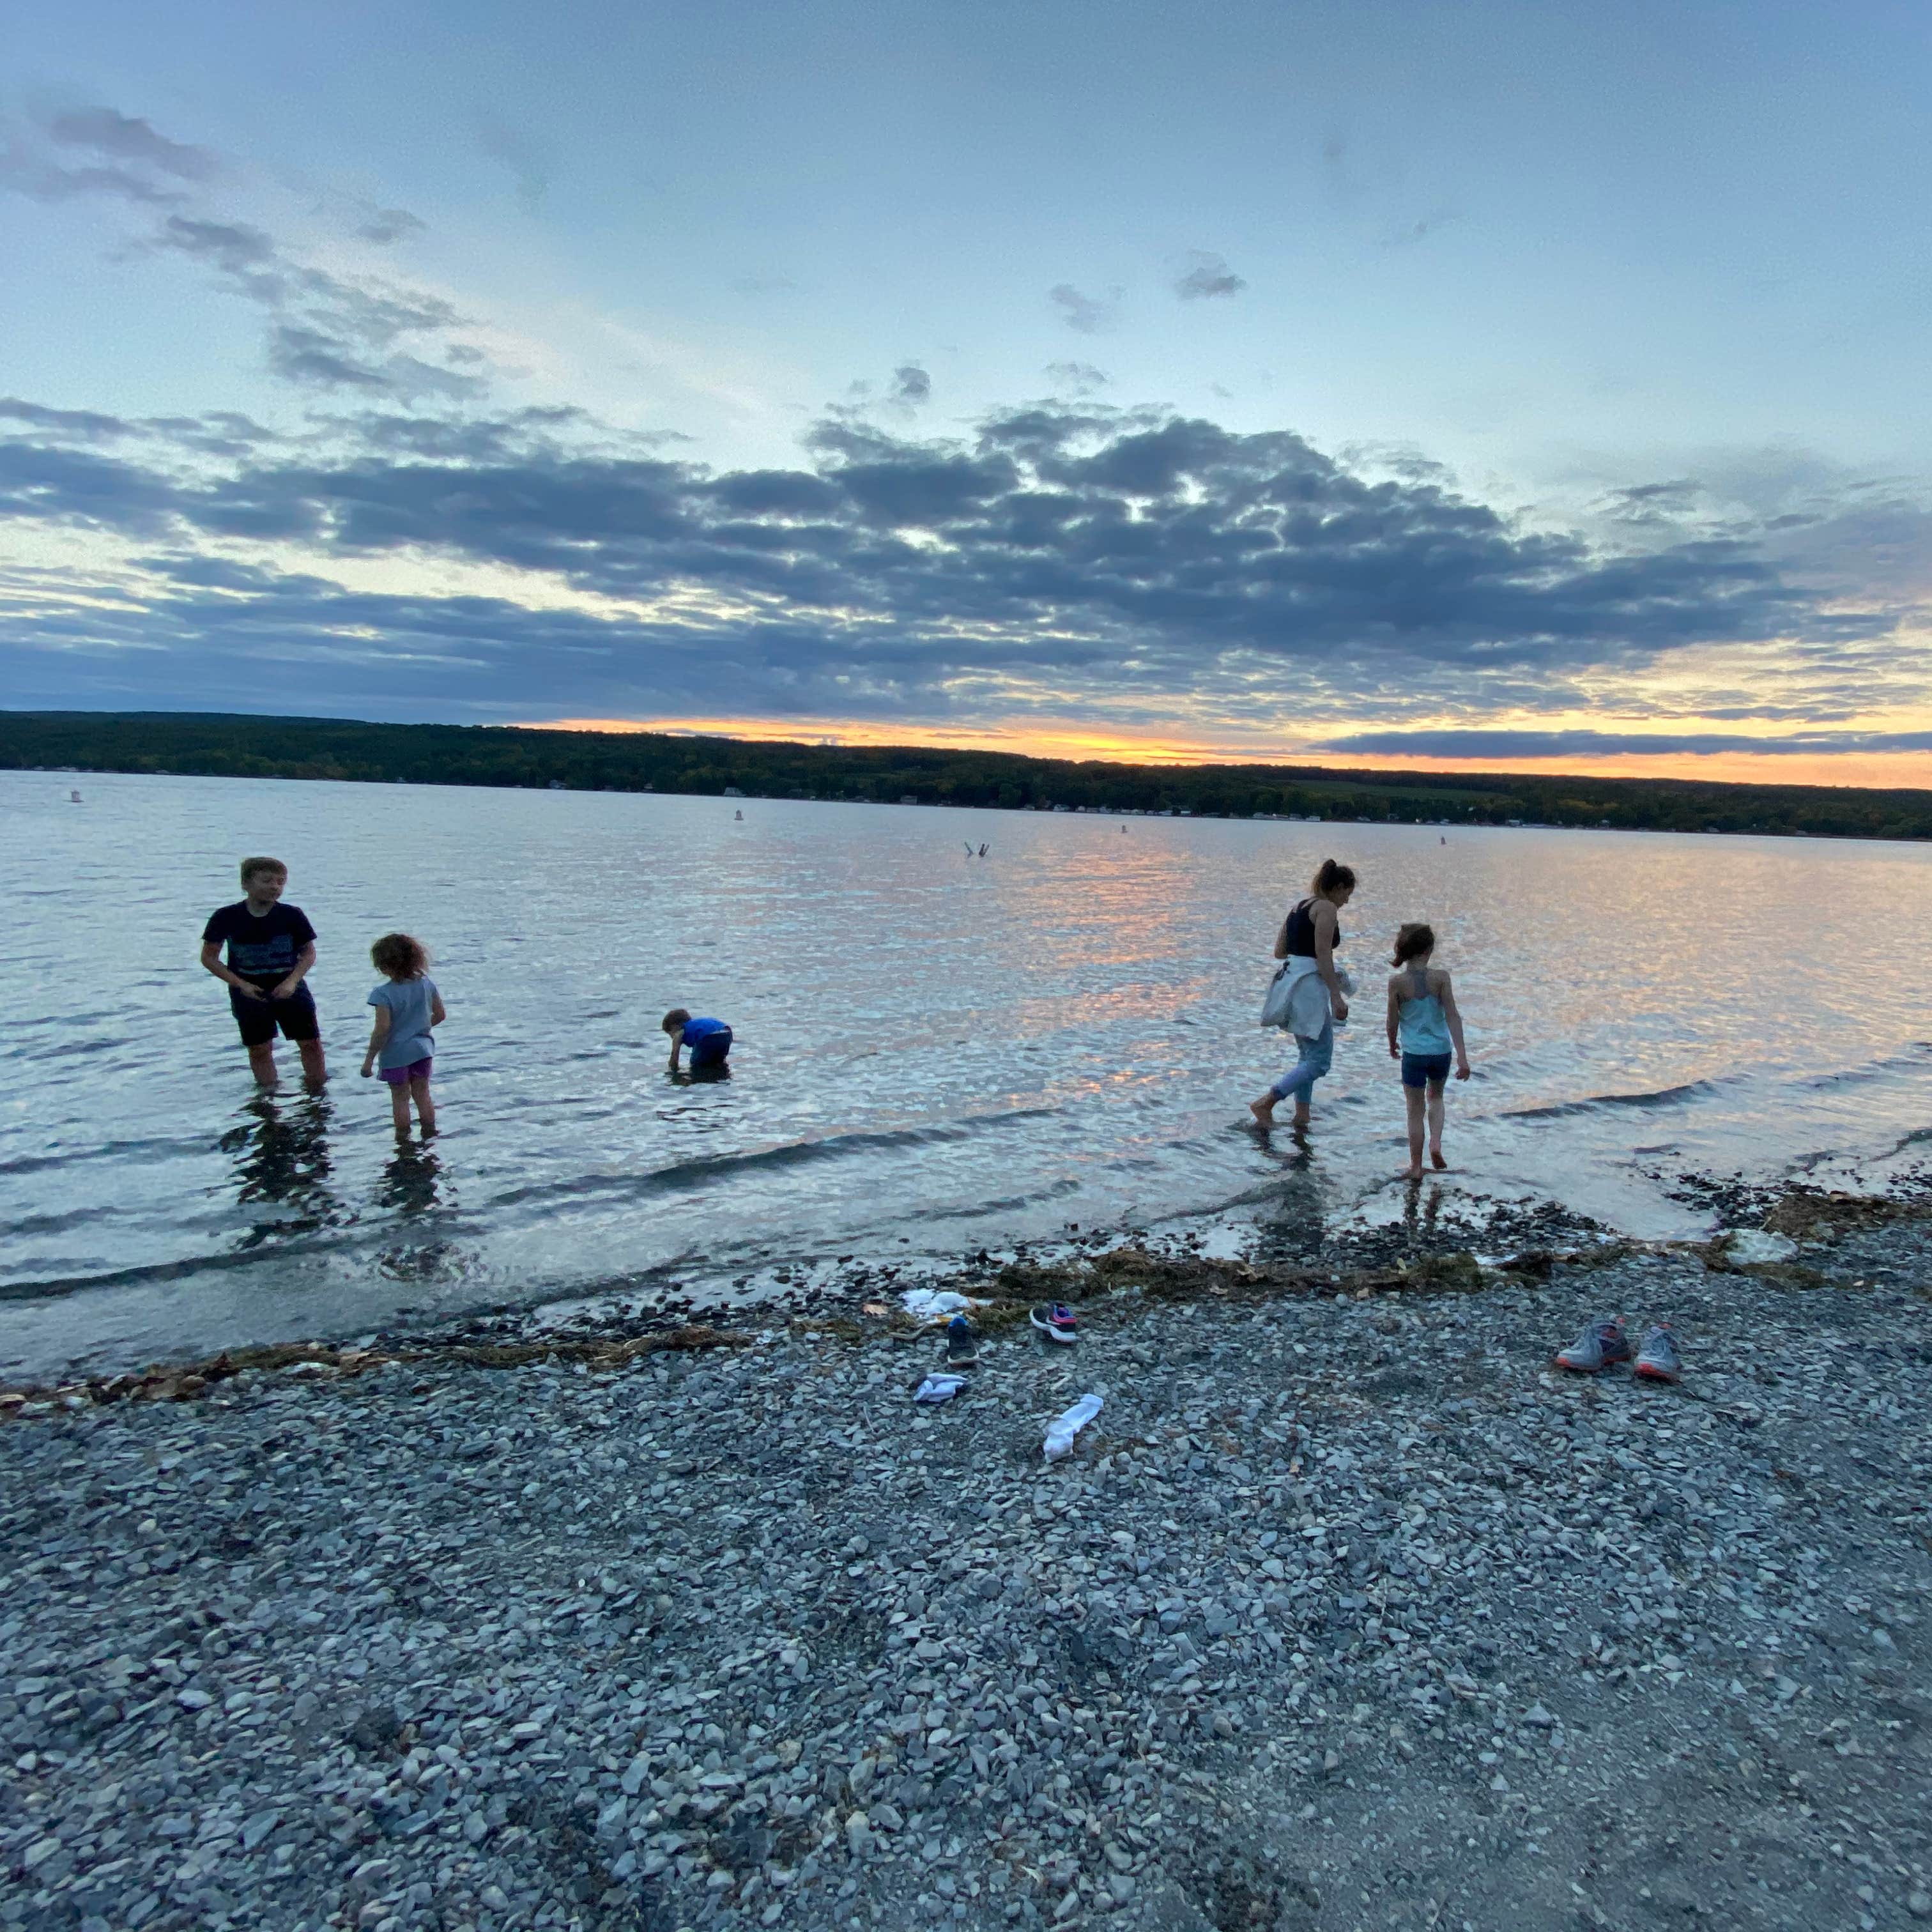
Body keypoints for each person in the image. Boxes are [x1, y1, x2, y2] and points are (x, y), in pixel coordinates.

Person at [200, 857, 326, 1086]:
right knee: (259, 1048)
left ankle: (317, 1090)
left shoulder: (292, 915)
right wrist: (241, 984)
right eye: (267, 881)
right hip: (249, 991)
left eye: (281, 882)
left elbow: (308, 953)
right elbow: (209, 958)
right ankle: (268, 1095)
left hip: (290, 987)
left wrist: (292, 981)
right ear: (246, 884)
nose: (275, 887)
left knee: (310, 1042)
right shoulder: (226, 917)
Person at [1251, 859, 1356, 1130]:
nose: (1347, 901)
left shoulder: (1299, 907)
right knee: (1320, 1062)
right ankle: (1268, 1101)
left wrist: (1303, 954)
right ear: (1338, 888)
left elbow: (1279, 951)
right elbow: (1324, 954)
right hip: (1310, 988)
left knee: (1307, 1056)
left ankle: (1302, 1115)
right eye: (1347, 894)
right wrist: (1336, 996)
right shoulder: (1327, 908)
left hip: (1292, 983)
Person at [1384, 923, 1470, 1177]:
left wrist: (1392, 1043)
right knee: (1436, 1098)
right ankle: (1436, 1143)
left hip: (1414, 1055)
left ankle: (1416, 1166)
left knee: (1414, 1110)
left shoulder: (1397, 983)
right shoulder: (1441, 978)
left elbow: (1392, 1020)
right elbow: (1454, 1016)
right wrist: (1463, 1058)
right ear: (1429, 950)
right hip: (1441, 1052)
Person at [360, 933, 445, 1137]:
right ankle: (429, 1134)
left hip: (396, 1053)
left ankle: (403, 1141)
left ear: (384, 966)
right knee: (423, 1094)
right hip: (423, 1049)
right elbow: (441, 1015)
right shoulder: (426, 984)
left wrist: (369, 1059)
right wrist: (418, 1029)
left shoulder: (382, 994)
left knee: (400, 1098)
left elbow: (382, 1029)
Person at [664, 1008, 732, 1074]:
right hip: (726, 1033)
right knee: (718, 1061)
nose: (671, 1037)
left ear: (675, 1027)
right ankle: (723, 1075)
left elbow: (674, 1056)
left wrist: (673, 1070)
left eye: (670, 1033)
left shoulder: (680, 1032)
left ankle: (702, 1078)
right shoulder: (695, 1024)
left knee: (696, 1063)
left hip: (707, 1036)